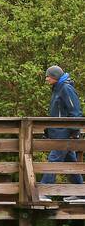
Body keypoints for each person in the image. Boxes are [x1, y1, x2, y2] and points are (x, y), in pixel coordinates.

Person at [40, 64, 85, 202]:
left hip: (64, 134)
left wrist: (75, 131)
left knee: (53, 160)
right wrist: (49, 130)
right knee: (70, 162)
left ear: (55, 76)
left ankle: (44, 192)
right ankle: (81, 193)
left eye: (48, 76)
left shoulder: (66, 88)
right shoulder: (56, 89)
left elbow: (75, 111)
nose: (46, 79)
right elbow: (57, 113)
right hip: (58, 133)